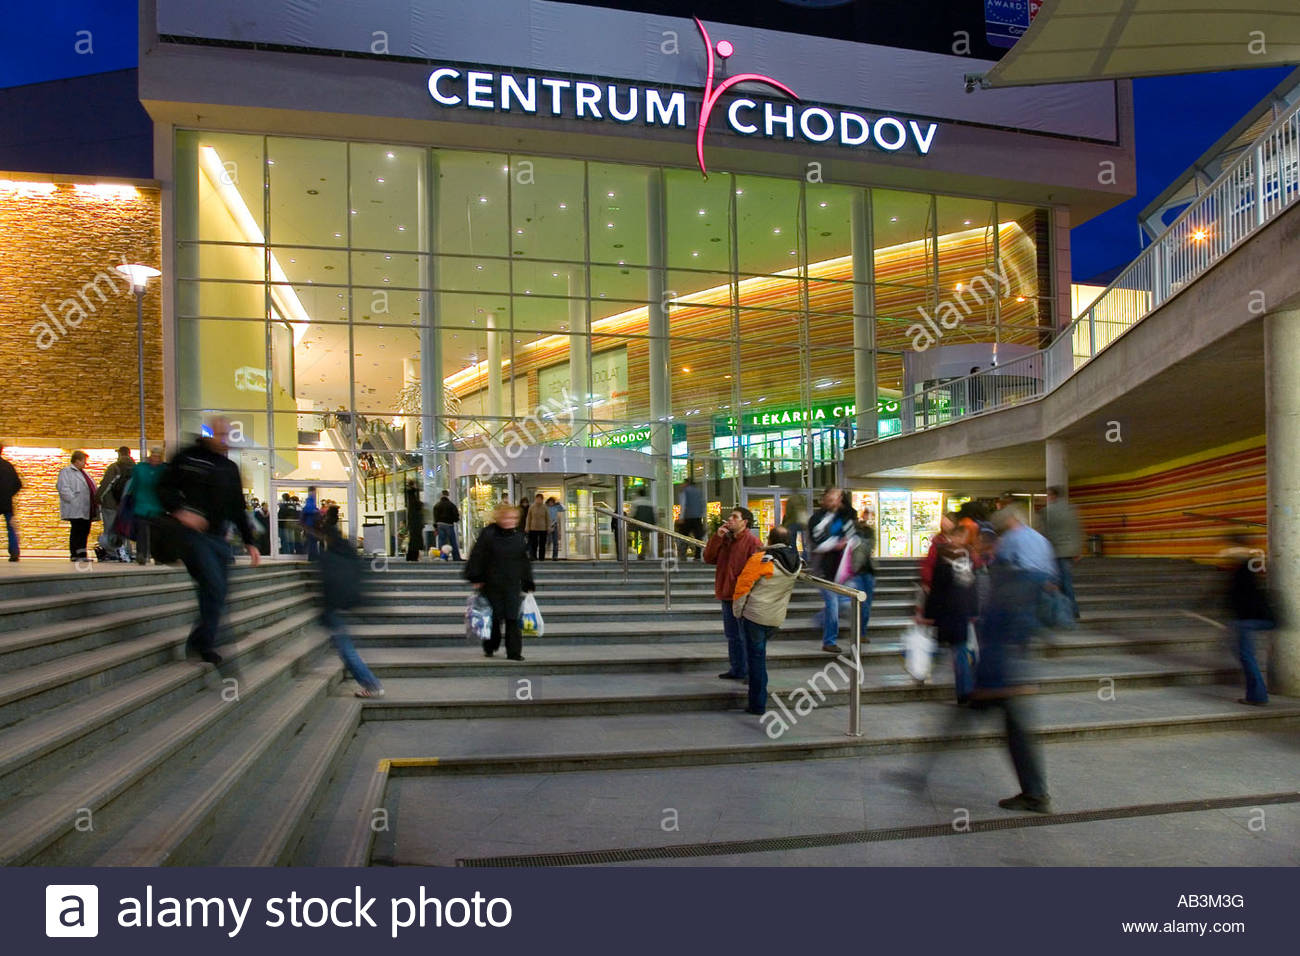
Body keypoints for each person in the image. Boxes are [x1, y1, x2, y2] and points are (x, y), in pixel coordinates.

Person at [158, 417, 262, 666]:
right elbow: (164, 488)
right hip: (192, 537)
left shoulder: (228, 468)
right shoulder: (188, 458)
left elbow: (237, 507)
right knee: (213, 586)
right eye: (219, 434)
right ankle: (203, 644)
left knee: (217, 591)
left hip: (218, 539)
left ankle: (199, 641)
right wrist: (181, 511)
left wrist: (250, 542)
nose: (224, 439)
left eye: (226, 435)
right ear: (208, 434)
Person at [975, 504, 1052, 813]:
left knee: (1016, 733)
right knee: (1016, 732)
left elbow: (1000, 625)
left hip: (1004, 673)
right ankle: (1034, 792)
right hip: (1011, 667)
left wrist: (996, 676)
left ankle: (1035, 794)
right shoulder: (1038, 547)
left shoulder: (1007, 573)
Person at [732, 525, 803, 715]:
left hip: (755, 615)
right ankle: (757, 699)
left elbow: (742, 587)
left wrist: (738, 611)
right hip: (775, 617)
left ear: (769, 540)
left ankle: (757, 704)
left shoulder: (761, 560)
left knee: (756, 661)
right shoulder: (796, 563)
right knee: (758, 656)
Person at [316, 506, 384, 698]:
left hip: (336, 609)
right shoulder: (348, 552)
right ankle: (371, 684)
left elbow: (328, 584)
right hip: (348, 605)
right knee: (346, 648)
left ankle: (372, 684)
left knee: (347, 650)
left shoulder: (329, 557)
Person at [916, 513, 978, 702]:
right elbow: (971, 588)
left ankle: (963, 689)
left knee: (952, 649)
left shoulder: (949, 559)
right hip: (956, 613)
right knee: (955, 649)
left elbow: (937, 590)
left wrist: (927, 614)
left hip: (950, 613)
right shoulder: (965, 560)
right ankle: (964, 690)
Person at [464, 502, 534, 661]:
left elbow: (524, 561)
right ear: (499, 518)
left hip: (511, 583)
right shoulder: (488, 534)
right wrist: (476, 577)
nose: (510, 520)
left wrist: (527, 580)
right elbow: (477, 555)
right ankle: (490, 646)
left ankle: (514, 652)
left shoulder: (519, 537)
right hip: (491, 583)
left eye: (514, 518)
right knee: (494, 617)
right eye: (507, 517)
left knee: (512, 618)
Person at [703, 506, 762, 682]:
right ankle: (737, 668)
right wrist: (717, 537)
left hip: (743, 596)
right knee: (732, 635)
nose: (730, 520)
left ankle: (749, 672)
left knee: (745, 636)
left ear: (745, 522)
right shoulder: (725, 540)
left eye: (735, 517)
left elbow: (757, 570)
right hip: (727, 593)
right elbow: (708, 557)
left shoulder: (753, 543)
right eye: (730, 517)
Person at [1223, 534, 1274, 706]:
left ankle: (1257, 696)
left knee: (1247, 657)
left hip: (1246, 619)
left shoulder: (1244, 567)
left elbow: (1243, 594)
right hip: (1248, 618)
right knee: (1246, 655)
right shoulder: (1246, 567)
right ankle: (1256, 694)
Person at [808, 486, 857, 652]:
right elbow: (816, 543)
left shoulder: (845, 518)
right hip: (824, 570)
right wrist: (835, 544)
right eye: (831, 498)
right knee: (833, 604)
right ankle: (829, 641)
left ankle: (820, 620)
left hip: (842, 569)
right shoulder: (817, 519)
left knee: (843, 604)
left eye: (837, 498)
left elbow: (851, 535)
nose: (834, 501)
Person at [1040, 486, 1083, 620]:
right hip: (1069, 550)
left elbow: (1045, 533)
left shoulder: (1047, 512)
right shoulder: (1072, 510)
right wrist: (1077, 550)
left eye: (1048, 495)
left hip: (1055, 551)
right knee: (1066, 581)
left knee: (1057, 582)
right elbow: (1077, 530)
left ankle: (1060, 612)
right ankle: (1072, 610)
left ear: (1052, 496)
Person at [57, 451, 98, 562]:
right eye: (84, 461)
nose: (85, 463)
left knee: (85, 531)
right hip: (76, 507)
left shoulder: (84, 473)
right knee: (77, 531)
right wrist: (73, 500)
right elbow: (63, 488)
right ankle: (75, 554)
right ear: (77, 460)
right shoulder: (66, 472)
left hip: (86, 507)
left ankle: (82, 554)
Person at [98, 446, 136, 561]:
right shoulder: (135, 468)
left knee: (110, 528)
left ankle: (112, 552)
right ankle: (127, 552)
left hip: (111, 503)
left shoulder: (114, 467)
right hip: (126, 504)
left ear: (119, 454)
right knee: (124, 528)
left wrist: (98, 497)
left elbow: (106, 484)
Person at [129, 449, 166, 564]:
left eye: (157, 456)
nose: (155, 459)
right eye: (154, 456)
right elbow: (134, 486)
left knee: (155, 533)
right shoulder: (141, 468)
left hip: (156, 507)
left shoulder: (163, 470)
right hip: (143, 507)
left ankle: (154, 555)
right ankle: (143, 554)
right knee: (143, 531)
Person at [0, 445, 22, 562]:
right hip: (7, 503)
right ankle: (14, 553)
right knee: (11, 528)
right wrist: (9, 494)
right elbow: (18, 484)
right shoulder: (8, 466)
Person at [678, 477, 706, 561]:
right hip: (697, 517)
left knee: (683, 536)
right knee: (698, 537)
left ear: (687, 483)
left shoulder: (684, 491)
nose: (682, 485)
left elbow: (683, 504)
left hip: (687, 517)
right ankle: (697, 556)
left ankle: (683, 555)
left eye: (683, 483)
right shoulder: (699, 492)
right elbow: (703, 505)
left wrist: (681, 517)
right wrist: (703, 518)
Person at [433, 489, 462, 560]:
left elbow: (435, 517)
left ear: (441, 496)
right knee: (453, 541)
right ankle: (456, 557)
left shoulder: (437, 505)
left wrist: (435, 527)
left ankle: (443, 557)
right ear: (447, 495)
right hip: (449, 525)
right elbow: (456, 516)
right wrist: (456, 520)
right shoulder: (451, 505)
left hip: (440, 524)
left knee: (441, 541)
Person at [782, 493, 810, 562]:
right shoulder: (803, 499)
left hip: (792, 523)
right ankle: (805, 558)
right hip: (803, 523)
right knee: (805, 543)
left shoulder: (790, 500)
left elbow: (788, 513)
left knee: (792, 543)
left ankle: (794, 559)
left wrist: (785, 523)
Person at [629, 486, 655, 559]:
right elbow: (653, 514)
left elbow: (632, 513)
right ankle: (648, 553)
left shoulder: (636, 502)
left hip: (638, 523)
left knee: (639, 538)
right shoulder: (649, 503)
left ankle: (643, 554)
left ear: (638, 494)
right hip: (648, 524)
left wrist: (629, 520)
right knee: (646, 539)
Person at [525, 492, 549, 560]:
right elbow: (528, 517)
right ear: (535, 499)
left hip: (543, 528)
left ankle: (542, 558)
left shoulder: (545, 507)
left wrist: (548, 527)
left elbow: (548, 518)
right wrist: (527, 526)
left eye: (540, 499)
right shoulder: (532, 507)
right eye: (537, 499)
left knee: (542, 544)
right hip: (533, 528)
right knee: (534, 544)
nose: (538, 500)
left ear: (542, 499)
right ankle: (534, 556)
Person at [404, 482, 424, 562]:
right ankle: (413, 556)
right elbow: (417, 503)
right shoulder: (413, 500)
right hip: (415, 524)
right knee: (415, 541)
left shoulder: (410, 500)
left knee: (413, 541)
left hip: (413, 524)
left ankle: (411, 556)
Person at [302, 486, 322, 561]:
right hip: (311, 525)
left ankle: (313, 557)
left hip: (311, 525)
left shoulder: (311, 500)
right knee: (312, 542)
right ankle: (313, 557)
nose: (314, 493)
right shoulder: (310, 500)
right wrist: (316, 511)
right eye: (314, 491)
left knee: (312, 541)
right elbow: (308, 510)